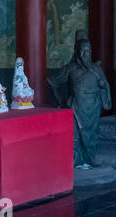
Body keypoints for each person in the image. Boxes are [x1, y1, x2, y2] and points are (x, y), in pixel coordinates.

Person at [48, 31, 112, 168]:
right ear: (76, 52)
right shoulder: (70, 69)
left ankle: (90, 159)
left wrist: (102, 85)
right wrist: (62, 99)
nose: (85, 54)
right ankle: (75, 160)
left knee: (92, 135)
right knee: (75, 135)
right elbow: (52, 80)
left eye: (88, 51)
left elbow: (105, 86)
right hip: (77, 107)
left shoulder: (96, 69)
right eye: (82, 51)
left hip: (93, 107)